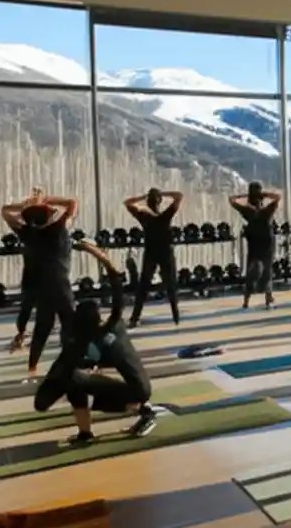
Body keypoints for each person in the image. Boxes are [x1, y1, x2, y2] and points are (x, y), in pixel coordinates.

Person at [34, 241, 157, 442]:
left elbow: (116, 283)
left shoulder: (108, 328)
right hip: (125, 385)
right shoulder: (89, 334)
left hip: (138, 391)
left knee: (76, 381)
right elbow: (116, 286)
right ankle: (85, 433)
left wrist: (95, 252)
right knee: (72, 380)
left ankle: (145, 411)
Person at [11, 195, 79, 381]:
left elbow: (5, 212)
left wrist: (27, 205)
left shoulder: (29, 234)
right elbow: (72, 203)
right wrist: (47, 199)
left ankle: (32, 367)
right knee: (69, 325)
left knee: (43, 327)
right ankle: (70, 366)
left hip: (43, 286)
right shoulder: (59, 227)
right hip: (61, 285)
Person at [1, 187, 47, 372]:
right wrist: (39, 202)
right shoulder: (52, 229)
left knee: (28, 311)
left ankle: (23, 338)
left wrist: (26, 204)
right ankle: (24, 339)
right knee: (34, 312)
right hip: (42, 277)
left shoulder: (24, 230)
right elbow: (69, 208)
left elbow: (5, 211)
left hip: (35, 276)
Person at [123, 188, 184, 327]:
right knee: (171, 286)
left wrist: (143, 197)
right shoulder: (164, 216)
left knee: (143, 287)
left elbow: (127, 202)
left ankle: (134, 319)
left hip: (151, 252)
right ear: (159, 201)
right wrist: (162, 194)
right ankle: (176, 318)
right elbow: (179, 196)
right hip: (165, 252)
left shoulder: (144, 216)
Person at [230, 183, 281, 310]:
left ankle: (248, 301)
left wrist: (246, 195)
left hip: (256, 244)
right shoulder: (266, 211)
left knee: (254, 271)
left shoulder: (249, 211)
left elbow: (231, 200)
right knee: (266, 271)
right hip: (265, 244)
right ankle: (266, 299)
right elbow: (277, 197)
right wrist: (264, 194)